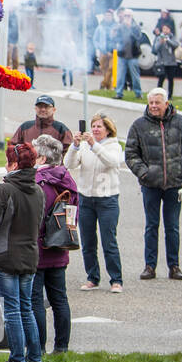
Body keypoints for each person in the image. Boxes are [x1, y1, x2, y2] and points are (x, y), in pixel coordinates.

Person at [0, 142, 45, 362]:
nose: (5, 166)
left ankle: (18, 360)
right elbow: (39, 224)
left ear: (15, 164)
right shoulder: (37, 190)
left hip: (5, 255)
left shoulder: (5, 190)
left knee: (13, 311)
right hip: (29, 256)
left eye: (8, 161)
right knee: (26, 308)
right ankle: (34, 358)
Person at [125, 88, 182, 280]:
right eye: (151, 103)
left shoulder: (180, 122)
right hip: (150, 185)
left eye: (158, 102)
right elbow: (131, 154)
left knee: (172, 226)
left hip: (174, 183)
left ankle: (174, 266)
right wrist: (144, 173)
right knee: (151, 225)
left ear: (167, 103)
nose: (154, 106)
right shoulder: (139, 125)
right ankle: (150, 266)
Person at [67, 114, 125, 292]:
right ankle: (92, 277)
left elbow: (112, 162)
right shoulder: (84, 146)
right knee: (88, 241)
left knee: (109, 240)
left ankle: (116, 279)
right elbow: (68, 164)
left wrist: (94, 145)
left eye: (99, 126)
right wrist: (75, 146)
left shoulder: (113, 146)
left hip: (107, 199)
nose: (95, 129)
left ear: (107, 129)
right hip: (86, 198)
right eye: (93, 126)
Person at [32, 135, 77, 355]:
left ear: (41, 157)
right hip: (60, 247)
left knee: (36, 300)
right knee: (60, 298)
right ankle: (62, 347)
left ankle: (39, 347)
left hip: (39, 250)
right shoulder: (67, 180)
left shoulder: (38, 182)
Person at [9, 95, 75, 150]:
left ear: (54, 109)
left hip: (53, 165)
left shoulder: (61, 129)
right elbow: (12, 148)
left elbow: (69, 153)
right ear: (35, 108)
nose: (43, 109)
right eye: (40, 106)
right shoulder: (25, 127)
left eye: (46, 107)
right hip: (28, 165)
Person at [113, 9, 145, 100]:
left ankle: (138, 93)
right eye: (125, 15)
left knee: (135, 75)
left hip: (133, 55)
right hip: (122, 55)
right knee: (120, 75)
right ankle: (119, 93)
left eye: (128, 16)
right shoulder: (120, 27)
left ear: (132, 16)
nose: (126, 17)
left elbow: (138, 38)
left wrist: (130, 29)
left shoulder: (136, 27)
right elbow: (116, 39)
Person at [153, 24, 180, 100]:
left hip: (171, 62)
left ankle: (170, 95)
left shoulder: (172, 37)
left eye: (167, 29)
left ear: (169, 30)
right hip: (162, 62)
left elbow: (176, 45)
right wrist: (161, 42)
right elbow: (155, 48)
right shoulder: (159, 38)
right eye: (164, 29)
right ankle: (158, 95)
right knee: (161, 79)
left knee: (171, 79)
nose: (165, 30)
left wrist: (168, 40)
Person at [93, 10, 116, 90]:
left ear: (112, 17)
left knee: (111, 68)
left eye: (109, 15)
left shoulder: (116, 27)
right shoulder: (100, 27)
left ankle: (103, 83)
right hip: (103, 52)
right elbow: (95, 39)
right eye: (106, 15)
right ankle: (109, 86)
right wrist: (99, 47)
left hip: (113, 52)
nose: (107, 17)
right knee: (104, 69)